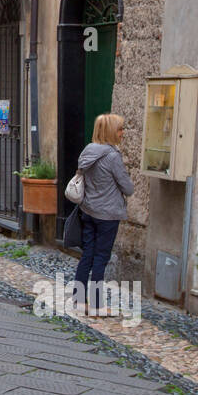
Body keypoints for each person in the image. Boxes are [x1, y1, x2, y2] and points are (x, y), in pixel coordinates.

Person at [72, 113, 134, 316]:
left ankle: (79, 301)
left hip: (88, 210)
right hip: (107, 215)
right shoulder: (112, 156)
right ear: (110, 131)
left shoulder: (87, 151)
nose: (122, 133)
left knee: (87, 255)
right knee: (100, 258)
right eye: (119, 129)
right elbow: (128, 187)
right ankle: (97, 305)